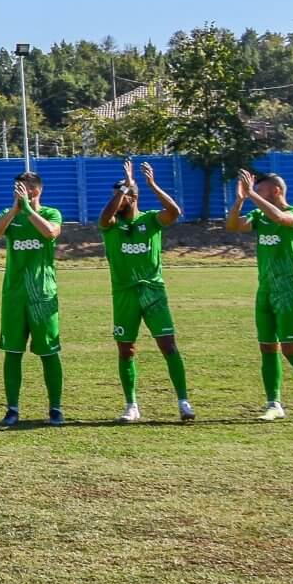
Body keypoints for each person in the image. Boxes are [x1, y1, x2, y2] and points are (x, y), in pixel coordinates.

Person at [228, 169, 293, 421]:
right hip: (265, 289)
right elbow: (232, 226)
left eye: (261, 190)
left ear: (276, 191)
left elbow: (281, 219)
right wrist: (241, 199)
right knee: (267, 348)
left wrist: (252, 194)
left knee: (290, 348)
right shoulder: (258, 216)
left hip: (291, 289)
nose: (257, 195)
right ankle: (274, 404)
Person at [100, 163, 192, 423]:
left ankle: (183, 401)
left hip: (153, 293)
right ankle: (131, 405)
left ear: (134, 198)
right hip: (124, 294)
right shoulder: (111, 225)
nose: (116, 199)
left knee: (168, 345)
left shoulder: (150, 220)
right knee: (126, 349)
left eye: (122, 195)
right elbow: (105, 216)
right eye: (115, 195)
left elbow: (174, 212)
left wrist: (150, 185)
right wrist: (123, 188)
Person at [0, 171, 66, 428]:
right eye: (17, 187)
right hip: (14, 295)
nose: (19, 191)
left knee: (49, 353)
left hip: (42, 295)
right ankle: (12, 409)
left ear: (36, 190)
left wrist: (30, 210)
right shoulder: (8, 216)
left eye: (25, 188)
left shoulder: (51, 213)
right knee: (12, 352)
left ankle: (55, 408)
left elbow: (50, 233)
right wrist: (13, 210)